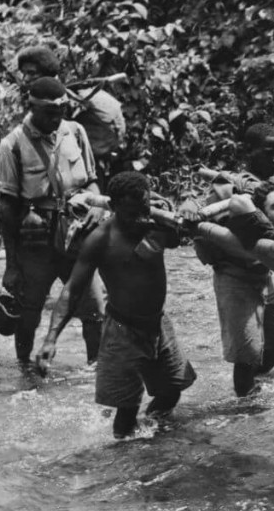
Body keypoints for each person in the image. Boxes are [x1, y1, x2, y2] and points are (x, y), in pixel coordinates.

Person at [35, 172, 196, 438]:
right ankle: (127, 452)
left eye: (144, 209)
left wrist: (188, 208)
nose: (140, 218)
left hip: (157, 323)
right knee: (126, 412)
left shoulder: (154, 222)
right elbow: (73, 289)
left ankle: (154, 438)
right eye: (132, 213)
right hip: (123, 330)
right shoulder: (101, 239)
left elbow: (179, 237)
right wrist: (51, 339)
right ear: (115, 206)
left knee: (171, 391)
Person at [0, 76, 107, 365]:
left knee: (95, 310)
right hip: (36, 241)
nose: (56, 117)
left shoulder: (76, 132)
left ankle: (94, 375)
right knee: (28, 313)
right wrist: (11, 265)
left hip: (76, 234)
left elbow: (92, 181)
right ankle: (25, 372)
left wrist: (97, 206)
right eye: (49, 111)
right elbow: (7, 207)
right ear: (32, 106)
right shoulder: (12, 145)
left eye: (61, 110)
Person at [181, 123, 274, 397]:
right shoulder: (229, 187)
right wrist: (190, 210)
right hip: (234, 276)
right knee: (246, 355)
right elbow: (198, 210)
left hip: (261, 273)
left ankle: (251, 386)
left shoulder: (273, 187)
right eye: (268, 153)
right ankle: (245, 403)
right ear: (247, 152)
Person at [16, 46, 126, 189]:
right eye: (23, 73)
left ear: (46, 74)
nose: (25, 79)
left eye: (31, 73)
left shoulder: (59, 100)